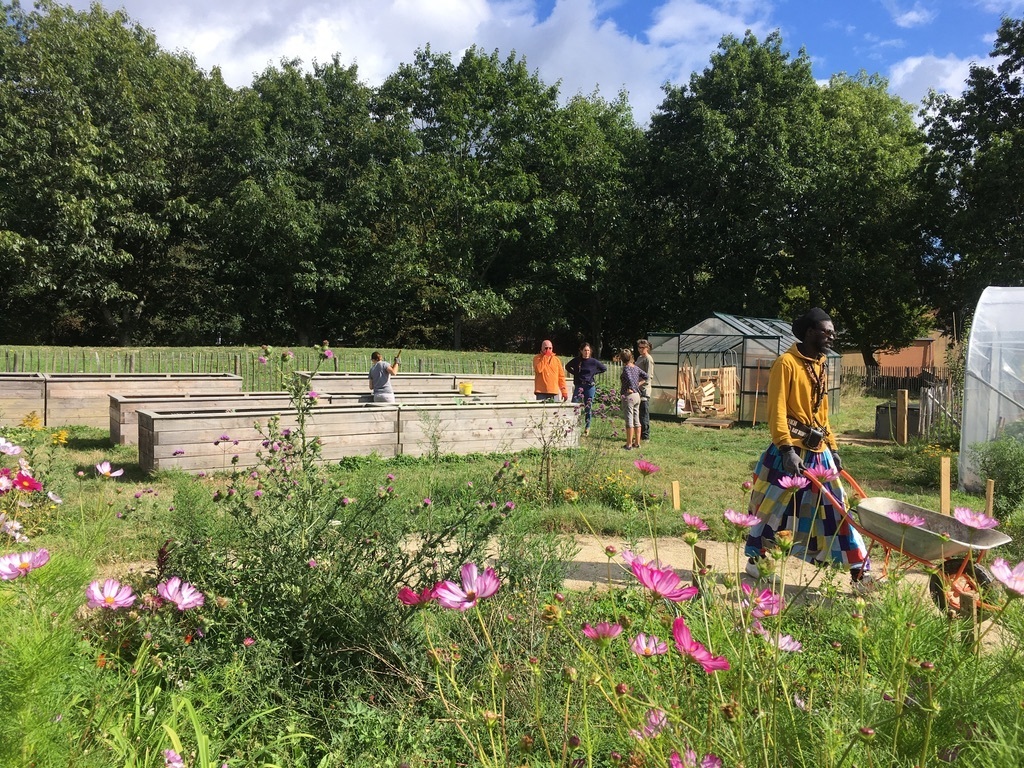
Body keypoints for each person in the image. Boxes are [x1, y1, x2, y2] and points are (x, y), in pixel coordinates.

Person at [743, 308, 872, 591]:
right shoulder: (786, 363)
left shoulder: (821, 364)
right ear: (810, 332)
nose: (832, 336)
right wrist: (786, 449)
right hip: (787, 451)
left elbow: (822, 412)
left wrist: (833, 447)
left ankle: (859, 572)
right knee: (771, 508)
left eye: (833, 331)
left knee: (837, 509)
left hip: (819, 452)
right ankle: (756, 560)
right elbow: (776, 410)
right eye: (827, 331)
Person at [565, 342, 608, 436]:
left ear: (590, 351)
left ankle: (587, 427)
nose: (586, 352)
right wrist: (575, 373)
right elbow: (567, 366)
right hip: (579, 385)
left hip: (589, 386)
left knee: (588, 407)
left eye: (588, 350)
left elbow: (604, 368)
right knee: (574, 404)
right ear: (581, 351)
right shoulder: (577, 360)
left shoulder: (593, 362)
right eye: (585, 350)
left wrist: (594, 373)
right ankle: (572, 425)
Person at [619, 349, 647, 450]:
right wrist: (638, 384)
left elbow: (630, 379)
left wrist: (631, 387)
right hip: (637, 396)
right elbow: (646, 376)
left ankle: (629, 444)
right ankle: (637, 443)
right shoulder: (635, 367)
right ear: (631, 357)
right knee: (636, 419)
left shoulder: (626, 368)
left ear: (622, 358)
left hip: (629, 395)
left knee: (629, 420)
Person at [636, 339, 654, 440]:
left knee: (644, 413)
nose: (641, 349)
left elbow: (649, 376)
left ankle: (645, 436)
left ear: (647, 348)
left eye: (643, 347)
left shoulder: (648, 358)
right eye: (639, 347)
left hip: (644, 389)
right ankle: (640, 435)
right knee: (638, 413)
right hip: (637, 389)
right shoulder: (639, 357)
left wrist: (639, 383)